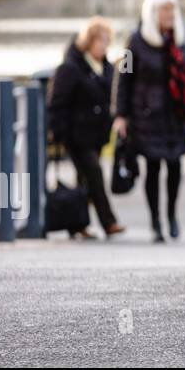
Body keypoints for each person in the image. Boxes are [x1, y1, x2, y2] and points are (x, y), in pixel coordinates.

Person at [111, 0, 185, 243]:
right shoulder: (135, 40)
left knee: (173, 167)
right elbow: (122, 78)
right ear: (153, 12)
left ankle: (171, 215)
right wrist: (120, 114)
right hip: (145, 116)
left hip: (175, 115)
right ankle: (155, 221)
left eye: (172, 9)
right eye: (165, 9)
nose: (170, 14)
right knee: (152, 167)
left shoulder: (184, 39)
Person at [46, 17, 125, 239]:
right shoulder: (70, 67)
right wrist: (58, 134)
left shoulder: (106, 67)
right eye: (101, 41)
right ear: (89, 42)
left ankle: (77, 225)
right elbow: (56, 103)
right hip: (76, 135)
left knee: (85, 180)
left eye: (107, 42)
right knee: (95, 174)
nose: (105, 46)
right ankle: (108, 222)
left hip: (97, 135)